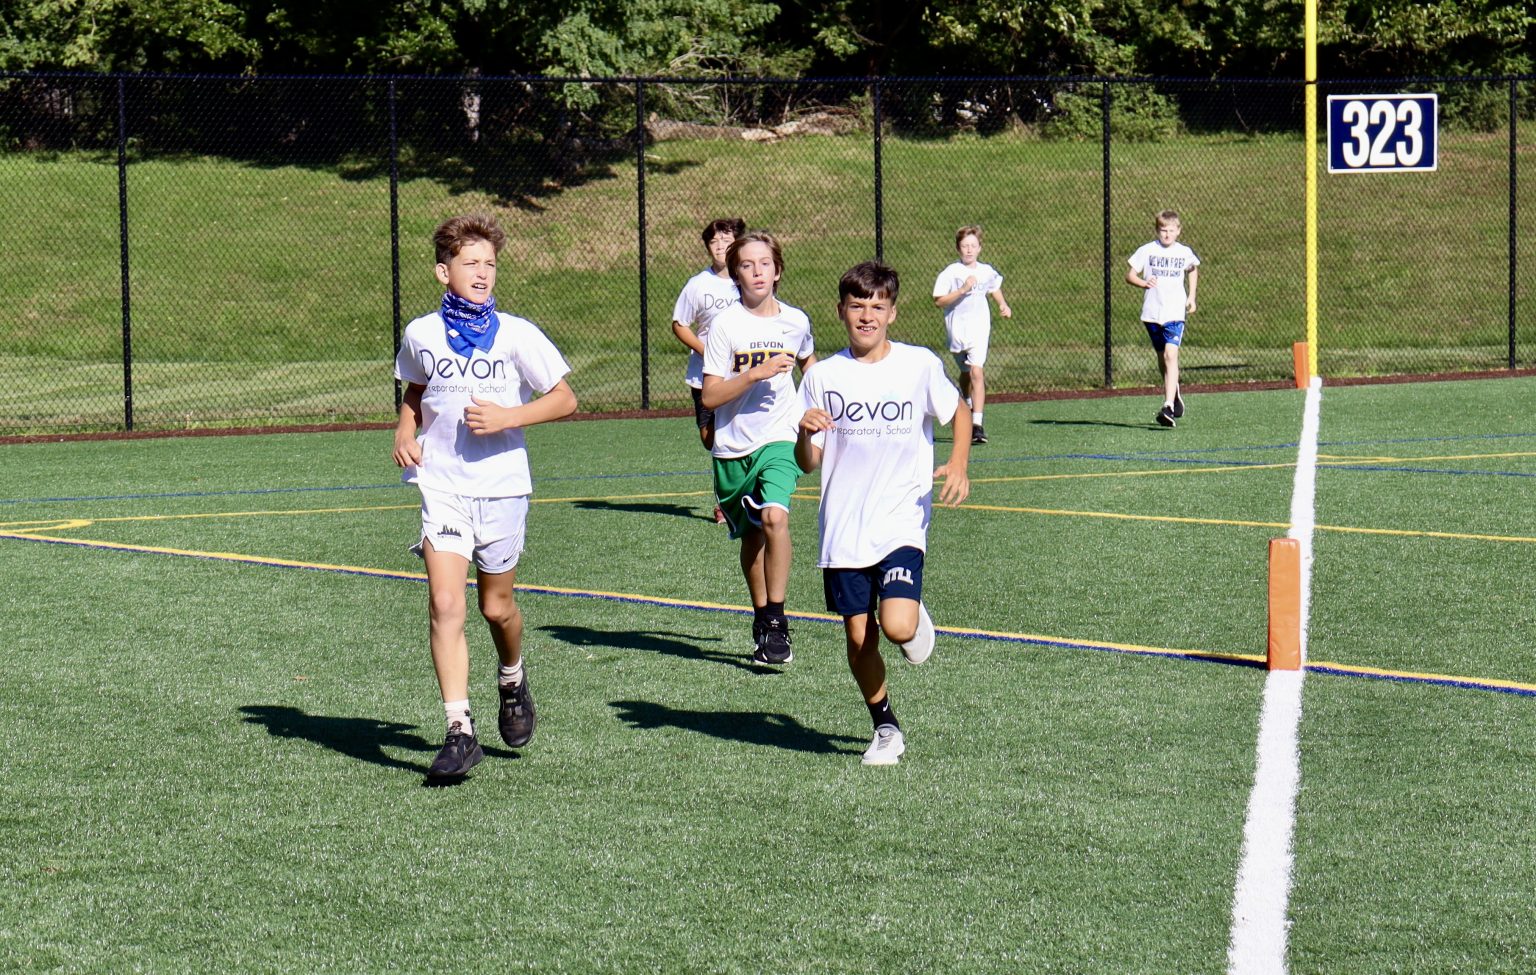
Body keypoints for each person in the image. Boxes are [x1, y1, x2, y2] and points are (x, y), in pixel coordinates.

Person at [393, 213, 578, 781]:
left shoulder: (517, 334)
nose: (482, 272)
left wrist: (509, 416)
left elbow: (565, 399)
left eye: (490, 264)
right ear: (442, 271)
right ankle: (459, 729)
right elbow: (415, 387)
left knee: (495, 607)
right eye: (470, 263)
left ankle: (512, 676)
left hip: (501, 488)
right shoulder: (421, 333)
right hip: (442, 486)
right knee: (445, 604)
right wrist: (404, 428)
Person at [797, 261, 971, 766]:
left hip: (901, 517)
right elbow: (808, 464)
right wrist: (805, 434)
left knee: (895, 627)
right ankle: (886, 726)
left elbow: (957, 410)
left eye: (877, 306)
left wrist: (958, 461)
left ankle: (912, 617)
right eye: (857, 306)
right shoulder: (822, 377)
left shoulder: (917, 365)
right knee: (858, 636)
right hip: (844, 528)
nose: (867, 316)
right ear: (841, 312)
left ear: (893, 312)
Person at [701, 230, 816, 665]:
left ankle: (777, 619)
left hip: (780, 436)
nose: (756, 271)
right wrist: (754, 373)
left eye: (764, 263)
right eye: (747, 265)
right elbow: (710, 396)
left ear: (778, 270)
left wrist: (818, 403)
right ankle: (761, 613)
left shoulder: (796, 321)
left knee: (773, 517)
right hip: (733, 446)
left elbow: (809, 361)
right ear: (736, 275)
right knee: (750, 536)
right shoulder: (725, 325)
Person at [671, 217, 745, 524]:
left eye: (726, 241)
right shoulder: (698, 285)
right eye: (714, 242)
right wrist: (709, 353)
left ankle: (729, 503)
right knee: (710, 438)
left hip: (741, 374)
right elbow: (680, 324)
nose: (720, 247)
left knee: (737, 433)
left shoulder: (747, 280)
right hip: (705, 374)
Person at [932, 225, 1010, 445]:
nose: (969, 250)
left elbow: (994, 286)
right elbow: (938, 300)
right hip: (957, 331)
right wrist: (962, 290)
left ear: (980, 248)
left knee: (977, 372)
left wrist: (1003, 304)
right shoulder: (951, 273)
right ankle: (966, 400)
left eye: (973, 246)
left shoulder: (985, 270)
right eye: (965, 246)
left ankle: (977, 424)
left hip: (979, 328)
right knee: (966, 373)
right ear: (958, 248)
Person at [1125, 209, 1200, 427]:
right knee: (1162, 359)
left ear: (1178, 231)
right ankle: (1173, 390)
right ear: (1157, 230)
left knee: (1170, 355)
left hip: (1175, 313)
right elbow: (1130, 275)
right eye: (1163, 230)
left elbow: (1193, 269)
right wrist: (1142, 283)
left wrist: (1192, 297)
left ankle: (1167, 406)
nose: (1166, 234)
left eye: (1171, 230)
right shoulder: (1147, 250)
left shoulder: (1183, 252)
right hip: (1152, 313)